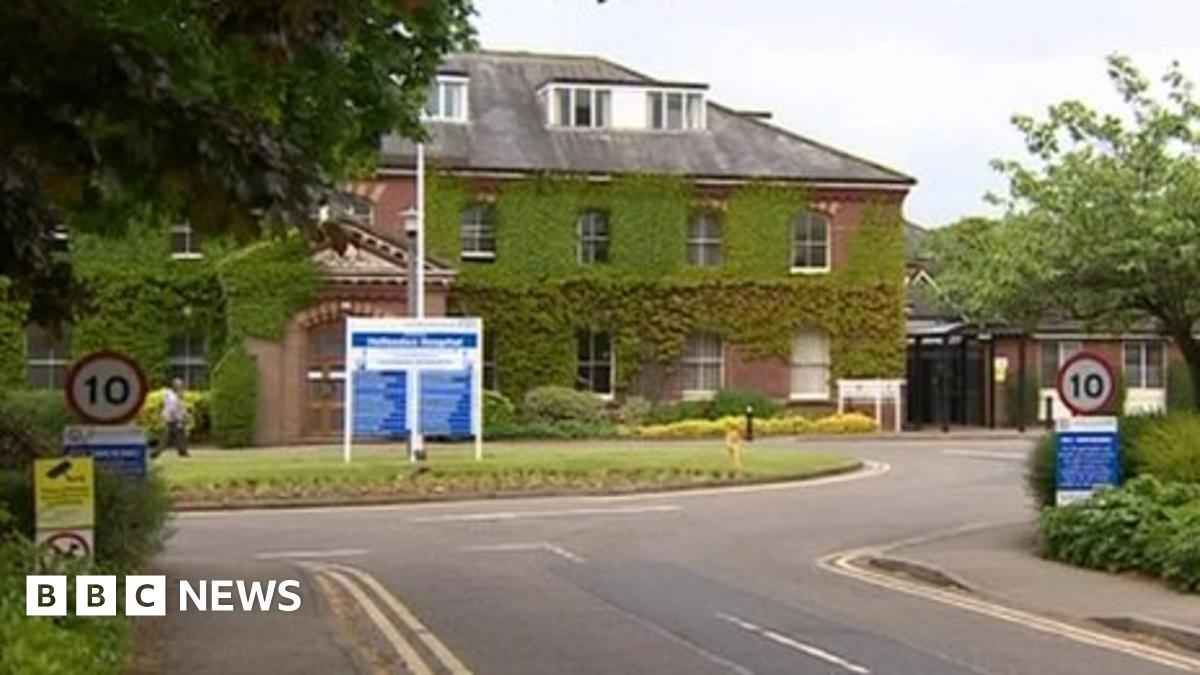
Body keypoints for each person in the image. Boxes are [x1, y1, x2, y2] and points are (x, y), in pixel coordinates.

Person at [159, 378, 190, 458]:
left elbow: (181, 407)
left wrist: (185, 415)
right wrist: (178, 419)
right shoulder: (173, 398)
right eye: (180, 386)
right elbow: (172, 410)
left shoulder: (174, 396)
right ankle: (156, 452)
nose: (182, 388)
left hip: (173, 418)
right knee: (168, 436)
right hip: (173, 419)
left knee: (180, 435)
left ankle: (182, 451)